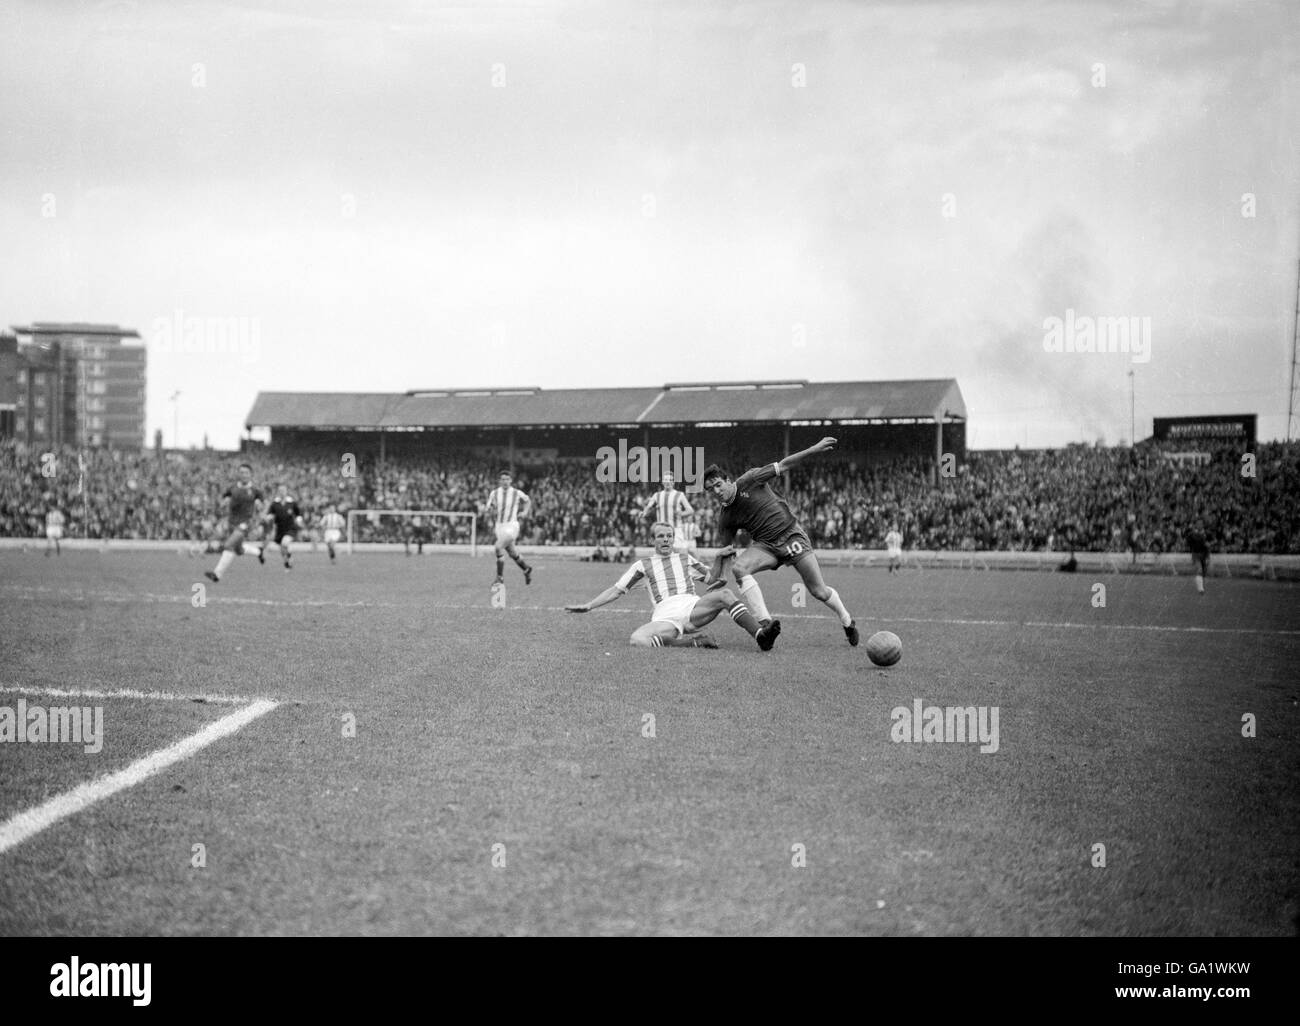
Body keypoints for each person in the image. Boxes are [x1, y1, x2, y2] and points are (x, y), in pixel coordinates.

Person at [702, 437, 859, 645]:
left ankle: (847, 621)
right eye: (710, 489)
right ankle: (765, 626)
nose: (716, 491)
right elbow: (728, 552)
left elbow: (784, 464)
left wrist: (813, 449)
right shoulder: (725, 517)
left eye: (718, 485)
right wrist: (721, 573)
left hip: (792, 536)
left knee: (818, 591)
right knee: (739, 569)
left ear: (728, 480)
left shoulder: (750, 479)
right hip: (766, 547)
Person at [566, 522, 780, 651]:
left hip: (691, 608)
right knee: (637, 640)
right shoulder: (642, 566)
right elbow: (616, 590)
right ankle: (693, 643)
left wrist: (718, 559)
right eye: (661, 536)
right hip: (665, 616)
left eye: (669, 536)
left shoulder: (685, 559)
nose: (666, 539)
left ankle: (761, 635)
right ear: (653, 540)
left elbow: (713, 580)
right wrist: (589, 605)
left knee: (724, 594)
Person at [204, 463, 263, 583]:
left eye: (246, 473)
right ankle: (258, 551)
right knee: (239, 550)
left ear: (251, 475)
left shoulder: (255, 491)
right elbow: (225, 498)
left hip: (246, 523)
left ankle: (217, 575)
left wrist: (259, 504)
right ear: (238, 474)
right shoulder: (232, 488)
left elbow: (260, 502)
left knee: (228, 545)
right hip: (232, 522)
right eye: (242, 472)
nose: (244, 475)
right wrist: (224, 502)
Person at [485, 470, 533, 587]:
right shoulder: (494, 493)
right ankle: (526, 569)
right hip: (499, 527)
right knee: (512, 553)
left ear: (511, 480)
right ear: (499, 481)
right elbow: (489, 508)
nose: (505, 481)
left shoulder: (516, 492)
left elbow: (527, 500)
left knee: (498, 547)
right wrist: (490, 510)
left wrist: (525, 512)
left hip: (512, 526)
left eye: (507, 479)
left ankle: (499, 578)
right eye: (503, 479)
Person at [642, 472, 696, 554]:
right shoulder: (657, 495)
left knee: (680, 553)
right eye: (666, 480)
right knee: (662, 553)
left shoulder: (679, 495)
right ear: (663, 482)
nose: (668, 482)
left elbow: (690, 510)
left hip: (676, 528)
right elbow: (648, 507)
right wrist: (643, 513)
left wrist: (681, 513)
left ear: (673, 482)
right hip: (661, 530)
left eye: (670, 480)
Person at [263, 484, 304, 571]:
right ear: (278, 492)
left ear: (286, 491)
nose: (282, 492)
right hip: (279, 528)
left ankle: (289, 558)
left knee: (284, 543)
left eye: (283, 490)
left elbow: (298, 513)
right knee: (282, 549)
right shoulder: (275, 503)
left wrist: (299, 520)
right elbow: (270, 513)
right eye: (280, 490)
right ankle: (287, 563)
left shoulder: (291, 502)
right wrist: (268, 517)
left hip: (290, 528)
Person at [1186, 520, 1210, 594]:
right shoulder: (1192, 534)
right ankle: (1201, 589)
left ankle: (1201, 586)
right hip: (1196, 554)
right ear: (1196, 525)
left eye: (1201, 524)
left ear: (1203, 525)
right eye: (1198, 524)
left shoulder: (1207, 533)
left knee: (1204, 572)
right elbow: (1188, 542)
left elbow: (1211, 542)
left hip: (1204, 554)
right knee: (1199, 570)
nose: (1199, 525)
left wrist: (1209, 545)